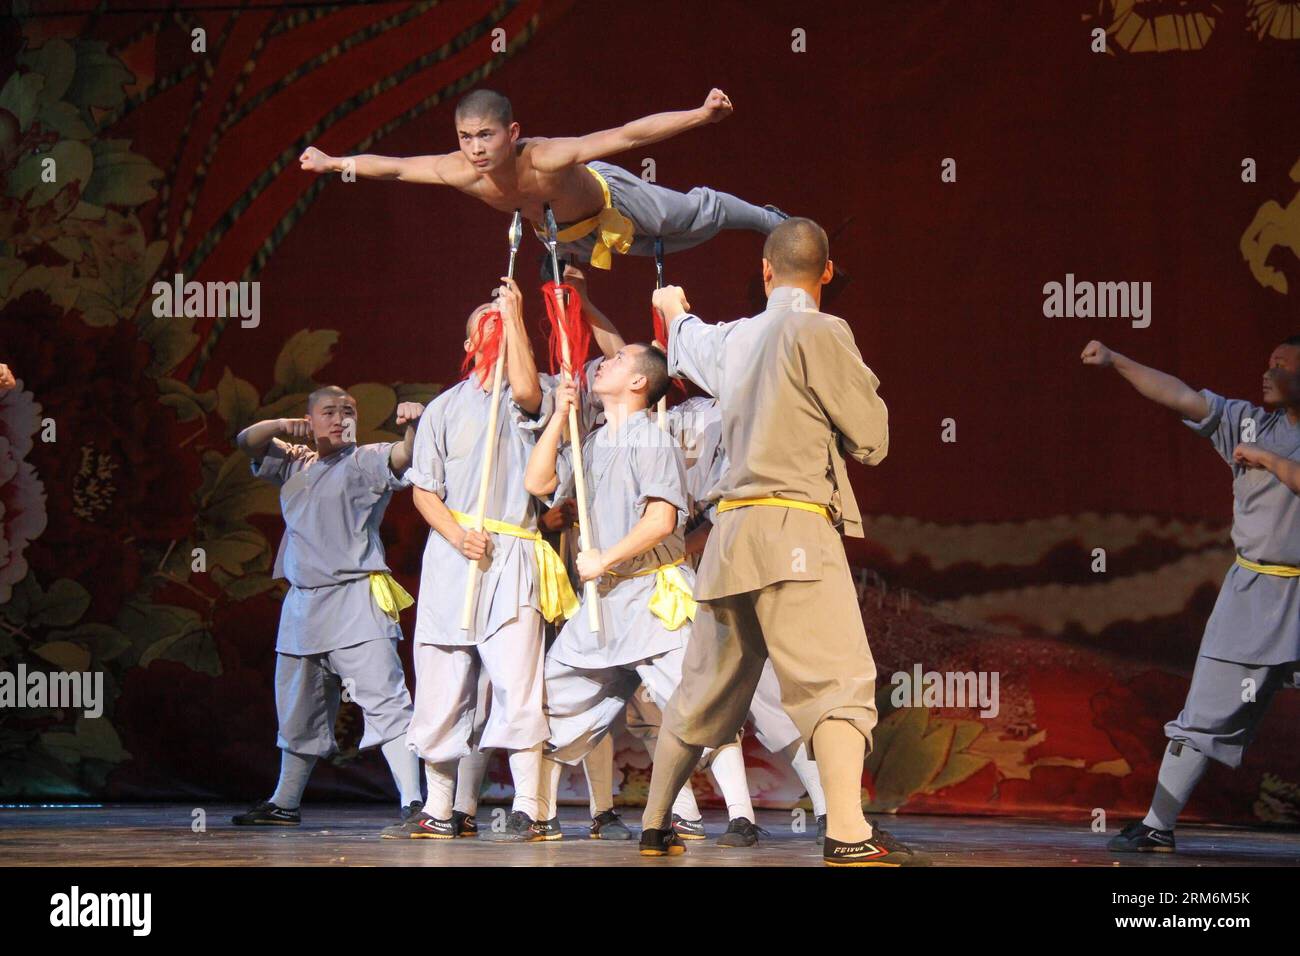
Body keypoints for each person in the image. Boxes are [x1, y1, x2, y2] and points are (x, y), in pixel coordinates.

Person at [641, 216, 928, 866]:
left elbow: (687, 338)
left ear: (767, 272)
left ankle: (655, 824)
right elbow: (873, 439)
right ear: (825, 272)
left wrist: (672, 308)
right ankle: (848, 832)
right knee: (838, 682)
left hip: (728, 538)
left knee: (700, 691)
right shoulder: (823, 331)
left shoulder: (732, 338)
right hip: (793, 527)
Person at [1082, 337, 1300, 853]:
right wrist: (1116, 360)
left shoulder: (1263, 445)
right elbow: (1179, 395)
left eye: (1283, 366)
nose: (1267, 373)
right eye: (1268, 362)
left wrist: (1268, 461)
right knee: (1204, 714)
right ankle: (1158, 825)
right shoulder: (1247, 422)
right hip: (1253, 592)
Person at [384, 279, 574, 842]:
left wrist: (515, 315)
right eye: (485, 323)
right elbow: (423, 490)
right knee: (442, 682)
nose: (493, 327)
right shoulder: (444, 408)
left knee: (518, 684)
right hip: (453, 556)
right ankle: (440, 809)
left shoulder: (528, 395)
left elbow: (525, 389)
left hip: (511, 554)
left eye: (501, 324)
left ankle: (531, 810)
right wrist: (456, 533)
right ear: (467, 341)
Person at [523, 345, 707, 844]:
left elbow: (661, 520)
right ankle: (537, 813)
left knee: (698, 714)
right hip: (603, 603)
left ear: (639, 383)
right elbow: (537, 480)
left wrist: (604, 558)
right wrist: (559, 419)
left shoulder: (651, 440)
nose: (603, 363)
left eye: (619, 359)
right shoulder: (594, 442)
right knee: (552, 699)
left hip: (652, 599)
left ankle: (677, 816)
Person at [299, 89, 786, 271]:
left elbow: (629, 135)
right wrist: (331, 161)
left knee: (696, 216)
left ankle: (769, 220)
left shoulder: (546, 158)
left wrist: (702, 115)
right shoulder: (460, 171)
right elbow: (396, 166)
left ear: (511, 133)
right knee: (665, 250)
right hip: (567, 239)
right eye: (466, 137)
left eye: (485, 136)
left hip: (617, 203)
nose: (475, 148)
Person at [231, 389, 425, 829]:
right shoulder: (295, 461)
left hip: (357, 600)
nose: (340, 419)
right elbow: (245, 441)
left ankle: (414, 803)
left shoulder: (366, 459)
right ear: (309, 420)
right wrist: (281, 427)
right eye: (329, 412)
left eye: (349, 412)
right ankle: (285, 802)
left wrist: (413, 423)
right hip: (303, 605)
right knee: (299, 707)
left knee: (385, 701)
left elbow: (405, 455)